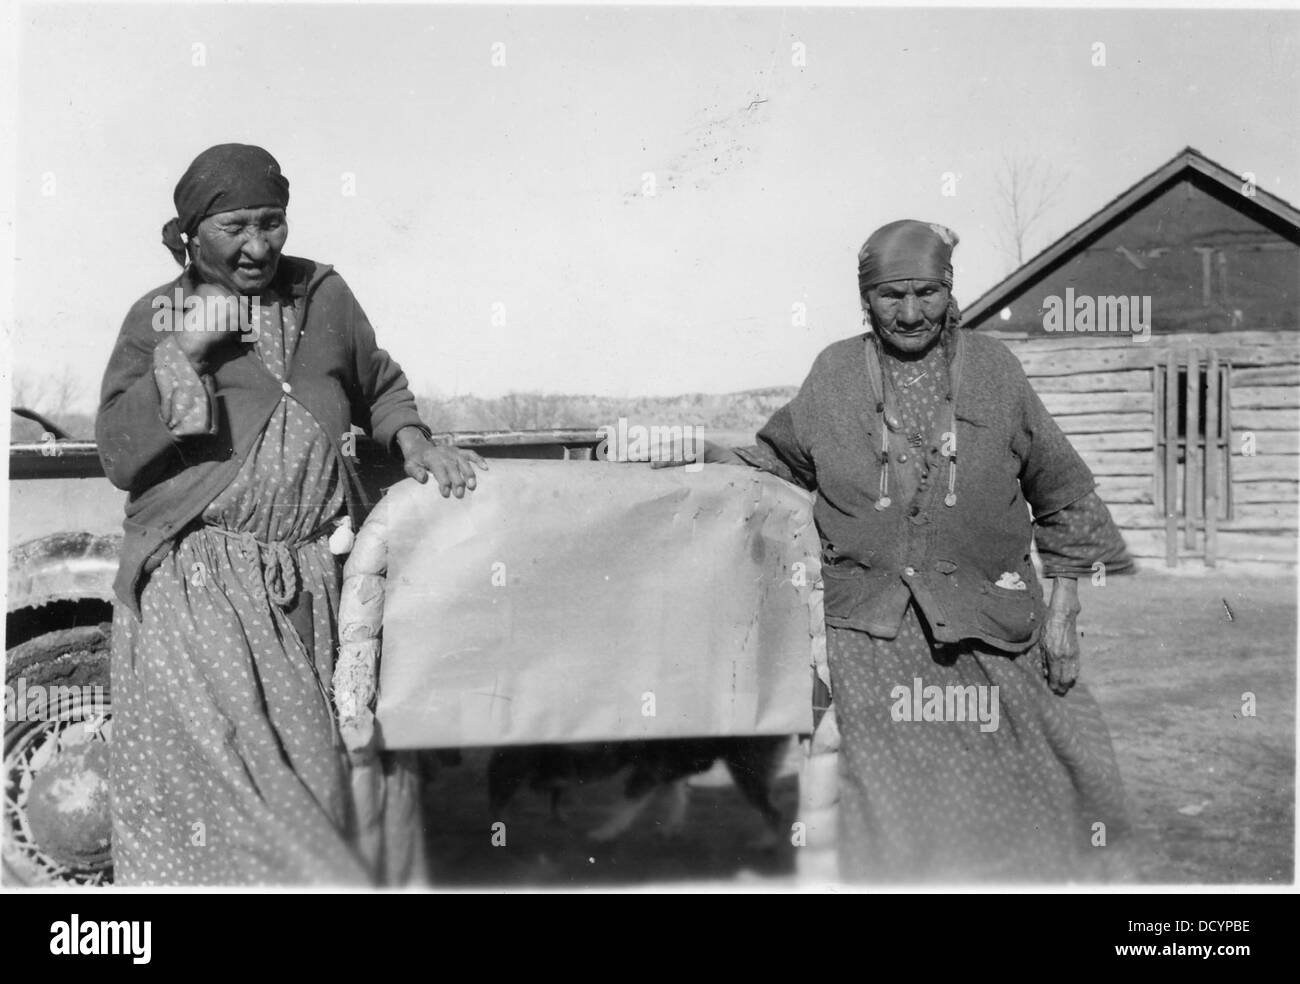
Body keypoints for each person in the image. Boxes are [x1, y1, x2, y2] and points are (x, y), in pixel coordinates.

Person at [698, 220, 1136, 882]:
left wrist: (1067, 604)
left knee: (1046, 783)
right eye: (890, 296)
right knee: (897, 808)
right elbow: (777, 464)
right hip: (873, 635)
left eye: (927, 293)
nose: (910, 313)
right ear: (865, 299)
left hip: (991, 623)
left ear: (950, 288)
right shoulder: (836, 372)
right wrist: (700, 457)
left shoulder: (994, 371)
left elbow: (1062, 491)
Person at [96, 143, 485, 885]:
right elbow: (119, 451)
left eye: (271, 222)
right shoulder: (158, 316)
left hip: (310, 575)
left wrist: (411, 441)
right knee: (252, 788)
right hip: (199, 578)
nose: (258, 245)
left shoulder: (324, 295)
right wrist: (185, 348)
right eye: (234, 227)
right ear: (190, 236)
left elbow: (376, 382)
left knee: (321, 768)